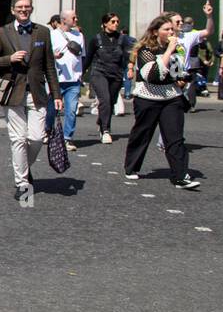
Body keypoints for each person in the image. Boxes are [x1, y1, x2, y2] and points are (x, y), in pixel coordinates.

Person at [0, 0, 63, 201]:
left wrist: (56, 94)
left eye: (27, 7)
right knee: (18, 139)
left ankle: (23, 167)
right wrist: (8, 59)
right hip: (12, 92)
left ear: (31, 9)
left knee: (37, 138)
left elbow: (50, 66)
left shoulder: (43, 32)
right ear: (13, 10)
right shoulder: (3, 33)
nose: (23, 10)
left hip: (37, 92)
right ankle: (22, 182)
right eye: (19, 7)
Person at [123, 14, 199, 189]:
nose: (171, 32)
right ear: (155, 32)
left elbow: (176, 73)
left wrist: (182, 78)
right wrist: (168, 51)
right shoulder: (146, 51)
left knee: (175, 137)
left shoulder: (176, 49)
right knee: (142, 134)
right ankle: (131, 167)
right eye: (167, 29)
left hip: (171, 98)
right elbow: (153, 75)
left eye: (172, 29)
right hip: (148, 98)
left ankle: (180, 175)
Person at [84, 13, 129, 144]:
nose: (116, 24)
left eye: (117, 21)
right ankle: (105, 130)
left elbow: (127, 57)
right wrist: (81, 72)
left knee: (111, 102)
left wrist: (130, 68)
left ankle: (101, 120)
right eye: (113, 21)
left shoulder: (122, 39)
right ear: (105, 23)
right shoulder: (96, 39)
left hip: (116, 74)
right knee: (105, 99)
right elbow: (89, 57)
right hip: (99, 73)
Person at [47, 10, 85, 151]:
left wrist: (81, 74)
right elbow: (45, 55)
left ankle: (67, 138)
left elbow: (83, 55)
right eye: (73, 17)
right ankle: (48, 130)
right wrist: (54, 56)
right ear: (63, 20)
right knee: (52, 110)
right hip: (56, 79)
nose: (76, 19)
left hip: (74, 79)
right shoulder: (52, 35)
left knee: (71, 110)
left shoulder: (79, 35)